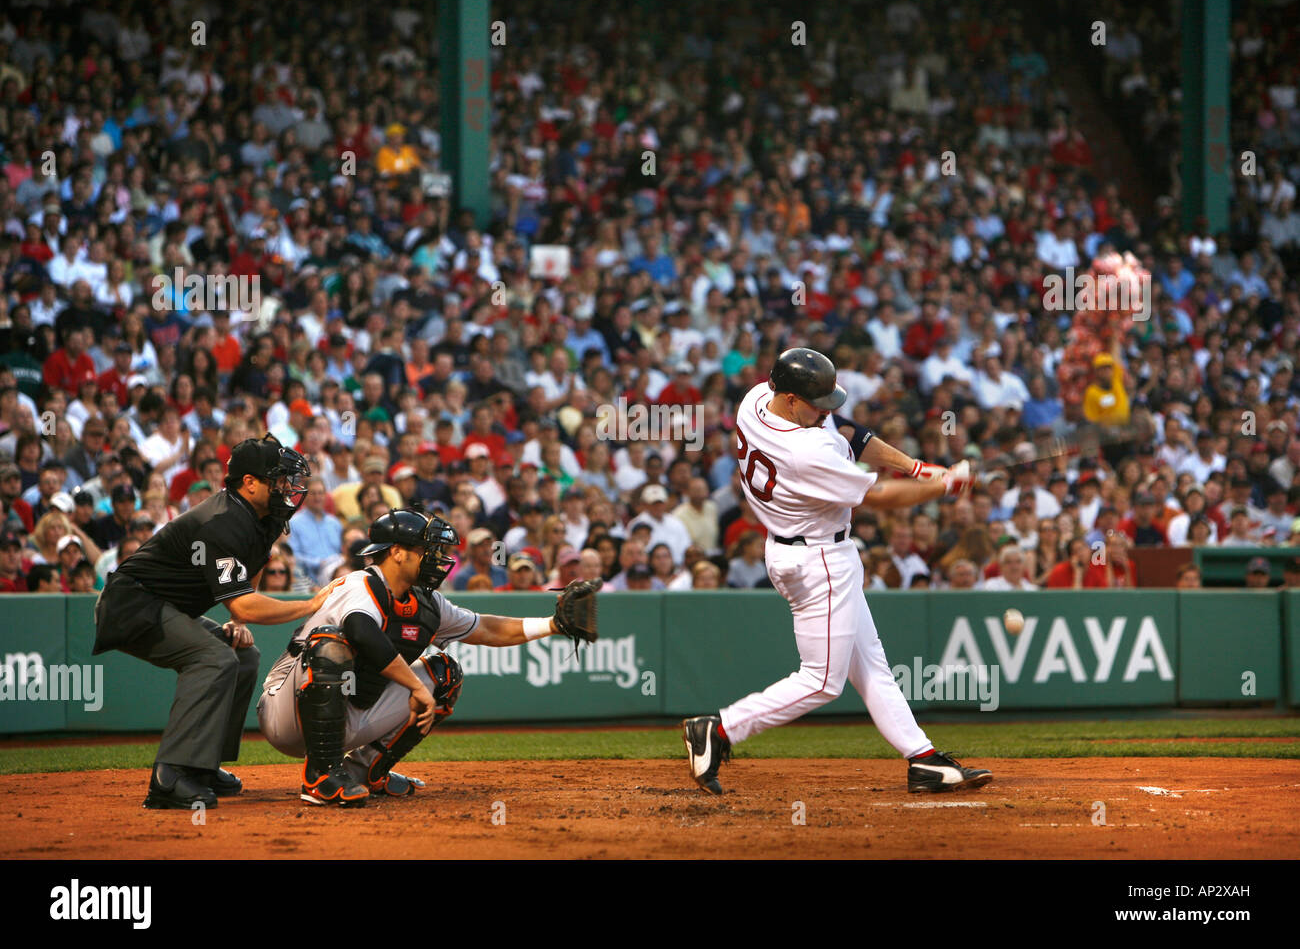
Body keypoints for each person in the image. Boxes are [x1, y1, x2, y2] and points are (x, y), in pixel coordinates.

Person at [681, 348, 990, 795]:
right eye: (816, 402)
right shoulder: (807, 451)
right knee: (822, 681)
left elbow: (850, 431)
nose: (827, 409)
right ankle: (720, 729)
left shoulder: (754, 401)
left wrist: (917, 467)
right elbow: (879, 496)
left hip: (795, 548)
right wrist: (943, 486)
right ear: (789, 398)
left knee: (871, 665)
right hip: (818, 560)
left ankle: (922, 760)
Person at [257, 508, 597, 805]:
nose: (437, 558)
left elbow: (486, 629)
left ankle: (366, 773)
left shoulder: (427, 603)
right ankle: (321, 776)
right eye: (427, 549)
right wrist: (414, 688)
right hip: (287, 713)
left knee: (444, 676)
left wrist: (552, 624)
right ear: (397, 553)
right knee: (331, 646)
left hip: (351, 710)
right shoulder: (358, 584)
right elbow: (362, 632)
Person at [93, 434, 337, 810]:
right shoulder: (220, 521)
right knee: (214, 658)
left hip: (167, 605)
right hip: (132, 603)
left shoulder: (264, 515)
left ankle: (202, 765)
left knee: (243, 656)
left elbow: (248, 575)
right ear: (249, 482)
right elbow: (246, 606)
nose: (287, 487)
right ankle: (170, 776)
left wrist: (237, 619)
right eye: (278, 478)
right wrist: (308, 605)